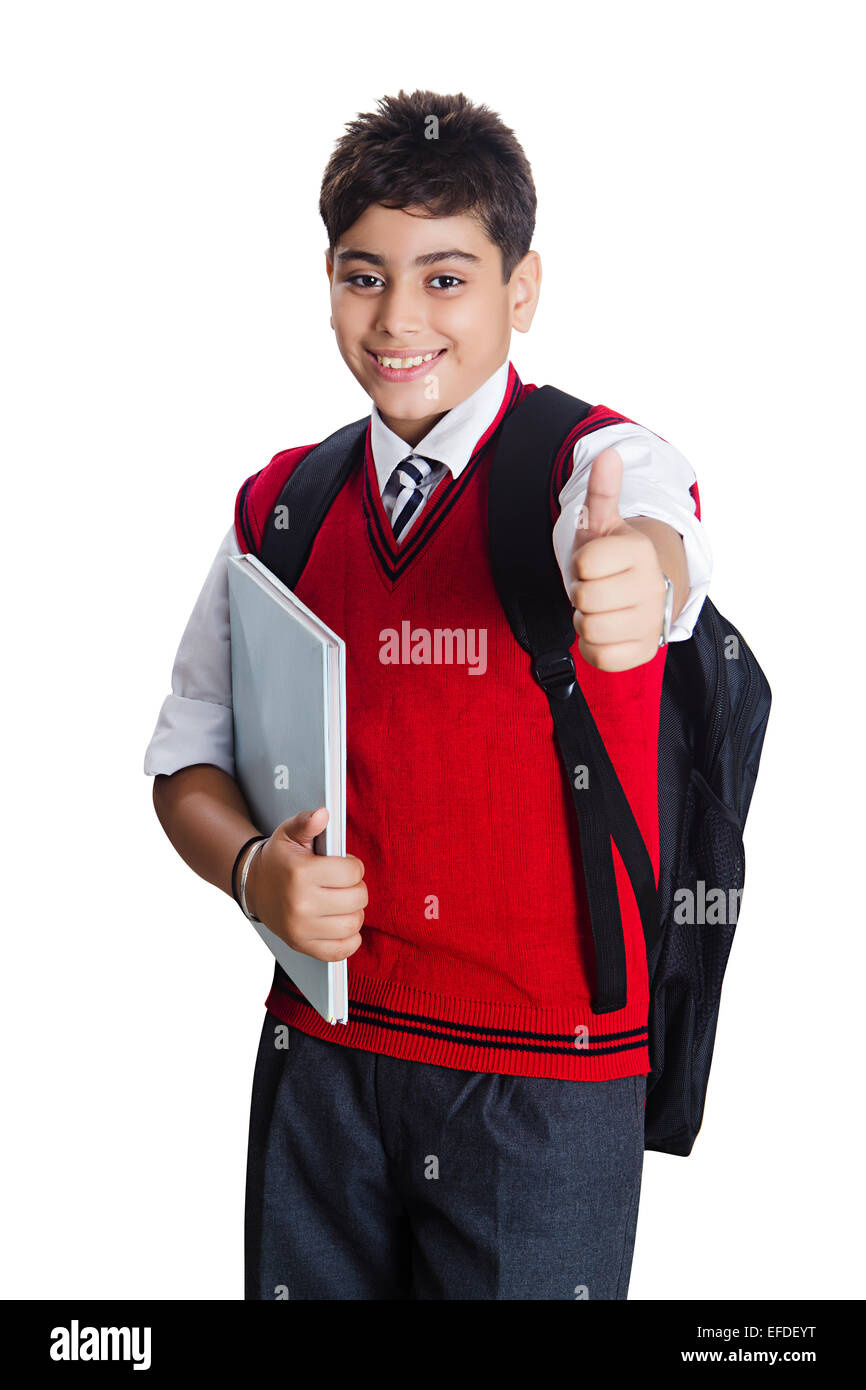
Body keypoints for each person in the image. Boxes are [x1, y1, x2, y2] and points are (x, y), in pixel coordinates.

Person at [144, 89, 712, 1300]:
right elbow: (184, 761)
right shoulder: (279, 507)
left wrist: (635, 575)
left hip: (544, 1081)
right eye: (363, 275)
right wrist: (256, 871)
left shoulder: (590, 464)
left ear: (522, 288)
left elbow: (654, 531)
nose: (398, 317)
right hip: (324, 1058)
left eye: (445, 278)